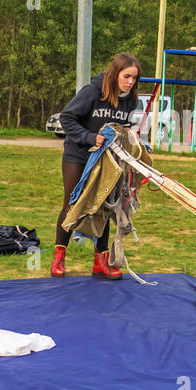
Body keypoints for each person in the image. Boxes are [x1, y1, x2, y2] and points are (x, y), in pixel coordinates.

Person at [53, 53, 142, 280]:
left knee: (105, 205)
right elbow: (67, 118)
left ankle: (101, 262)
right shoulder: (93, 92)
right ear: (115, 73)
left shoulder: (130, 99)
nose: (131, 82)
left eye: (134, 78)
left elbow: (121, 126)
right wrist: (90, 137)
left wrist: (129, 137)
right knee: (73, 204)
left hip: (107, 159)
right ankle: (58, 258)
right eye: (127, 76)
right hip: (78, 154)